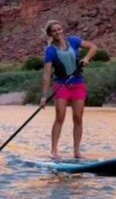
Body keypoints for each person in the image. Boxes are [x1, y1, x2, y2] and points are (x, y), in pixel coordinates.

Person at [39, 20, 97, 160]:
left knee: (78, 118)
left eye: (59, 29)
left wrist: (86, 58)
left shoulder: (74, 41)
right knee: (60, 117)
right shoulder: (50, 51)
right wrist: (44, 96)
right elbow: (46, 75)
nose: (58, 32)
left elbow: (93, 47)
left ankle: (77, 151)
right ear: (50, 34)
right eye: (54, 31)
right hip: (61, 85)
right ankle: (54, 151)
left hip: (77, 84)